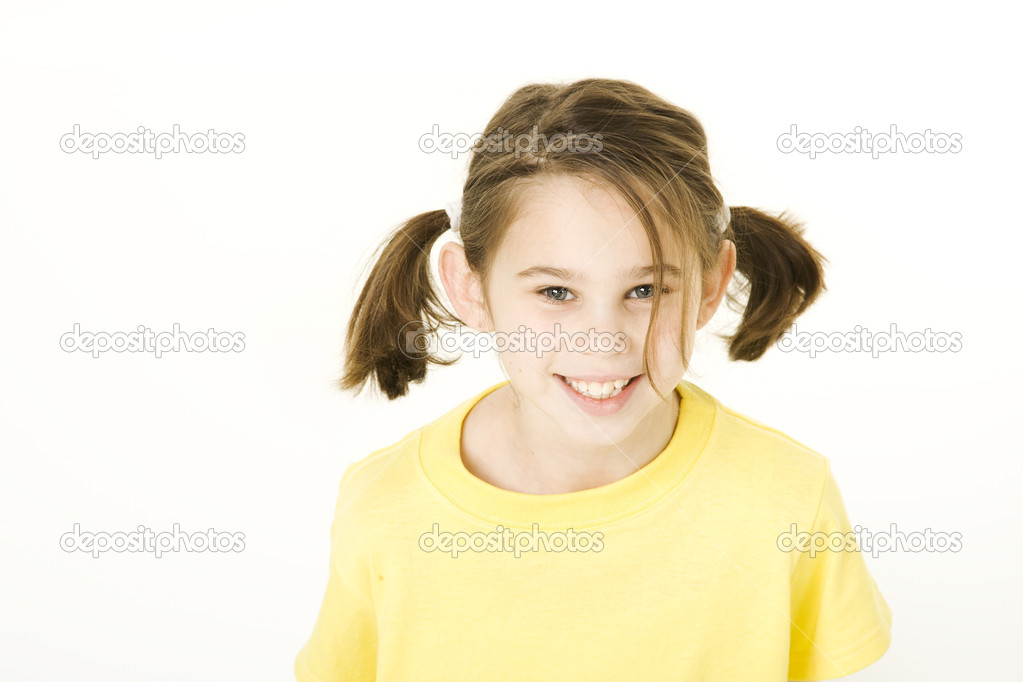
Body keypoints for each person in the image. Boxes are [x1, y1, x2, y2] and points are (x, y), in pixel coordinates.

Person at [295, 78, 892, 681]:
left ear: (711, 285)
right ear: (469, 287)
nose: (603, 341)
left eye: (646, 289)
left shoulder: (787, 494)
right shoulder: (384, 506)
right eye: (556, 292)